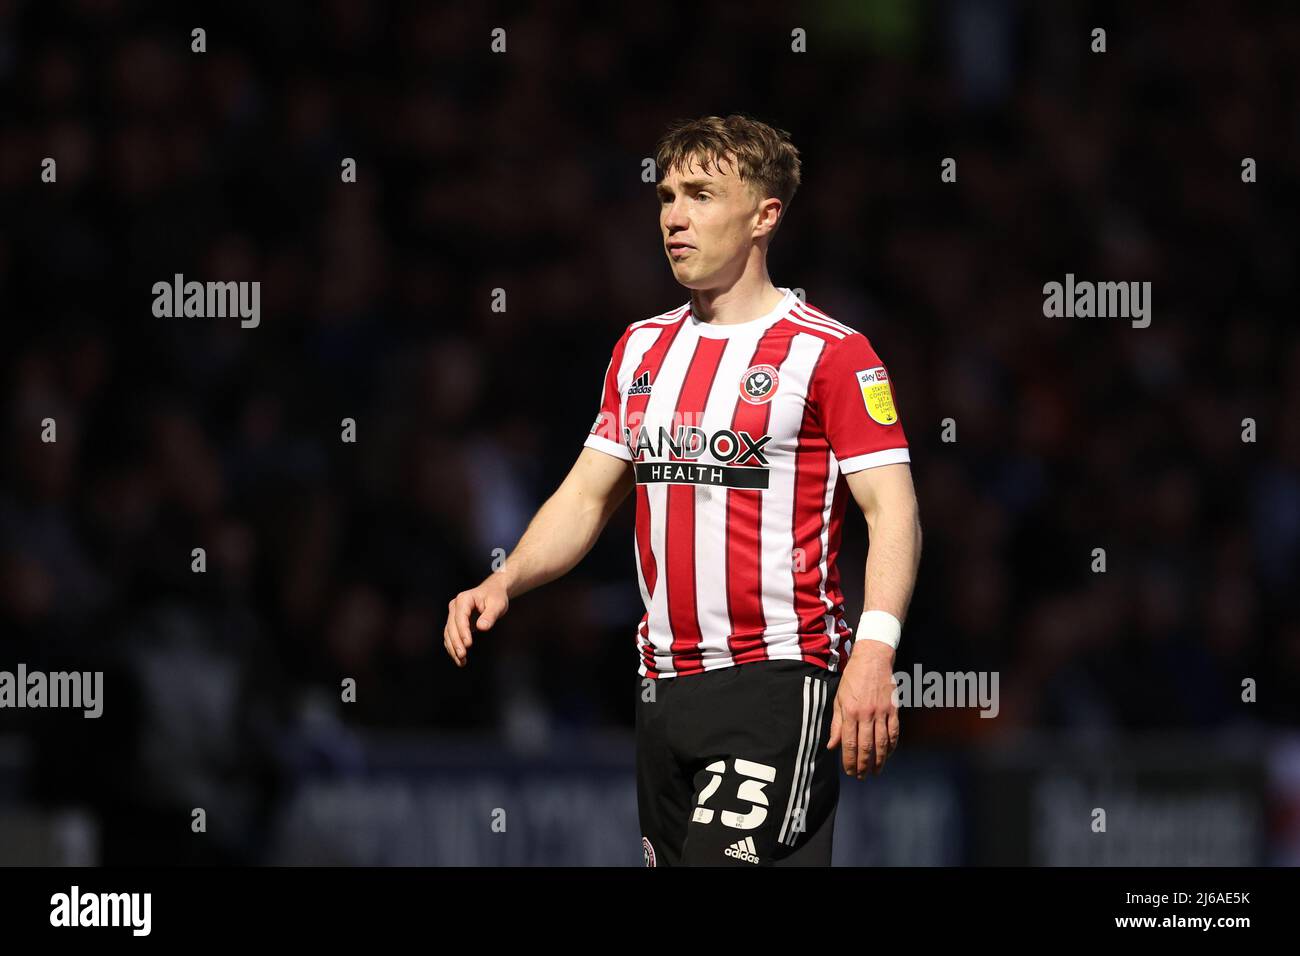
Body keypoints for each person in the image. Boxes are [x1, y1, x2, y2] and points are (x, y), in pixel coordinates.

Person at [444, 114, 922, 866]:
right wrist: (506, 579)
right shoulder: (641, 349)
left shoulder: (832, 354)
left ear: (765, 214)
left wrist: (874, 652)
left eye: (700, 195)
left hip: (776, 680)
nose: (673, 216)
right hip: (662, 690)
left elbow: (892, 510)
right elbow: (586, 497)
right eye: (667, 195)